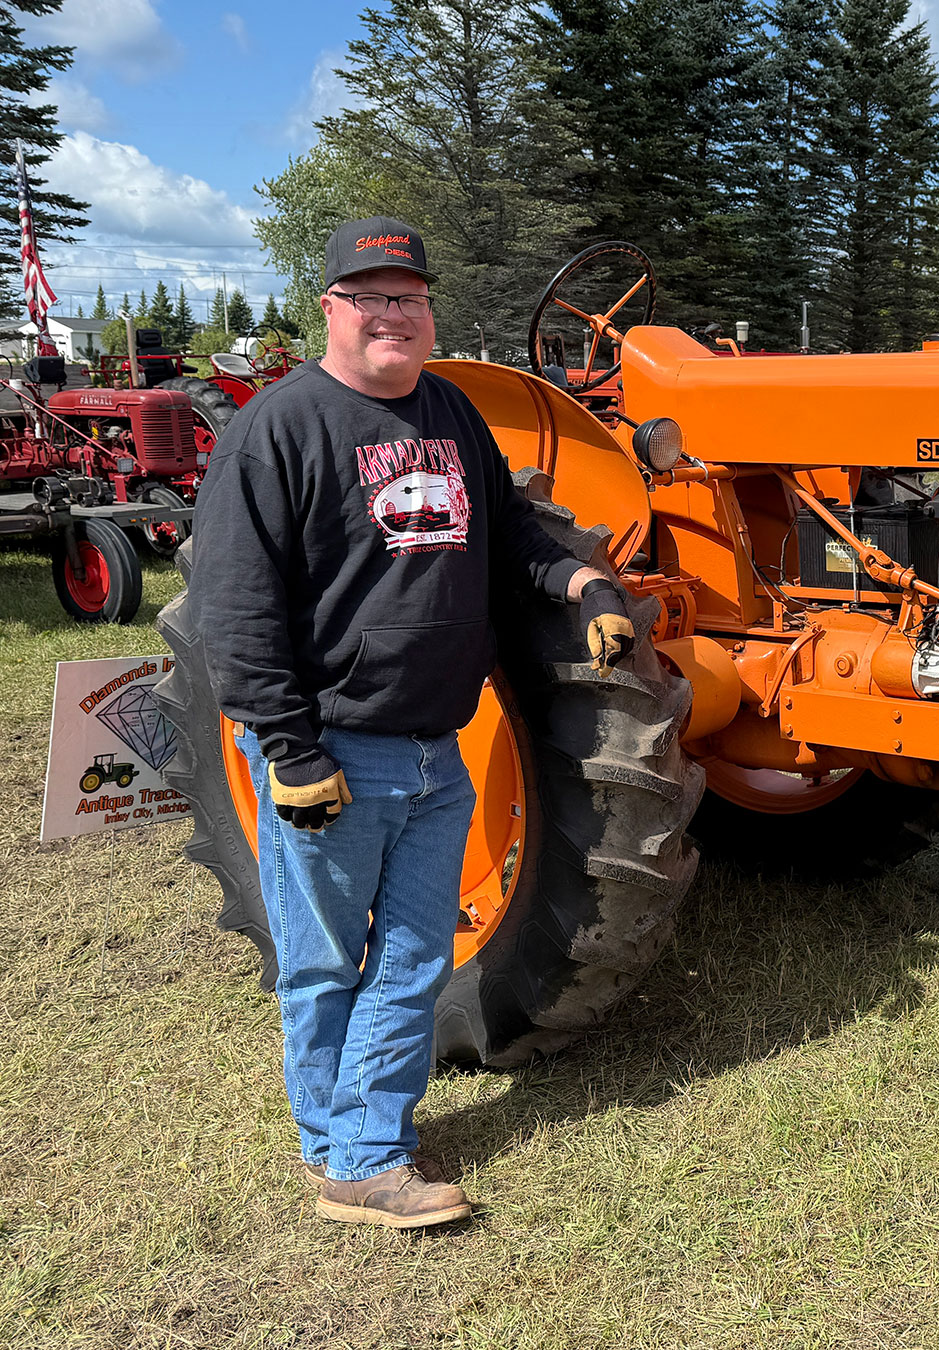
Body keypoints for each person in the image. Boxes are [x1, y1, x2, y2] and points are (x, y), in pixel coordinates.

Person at [192, 217, 634, 1229]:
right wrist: (291, 751)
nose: (394, 314)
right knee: (322, 958)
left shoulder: (446, 410)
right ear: (332, 310)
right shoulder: (282, 427)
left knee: (414, 959)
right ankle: (347, 1152)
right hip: (334, 754)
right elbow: (237, 606)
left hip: (437, 750)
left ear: (429, 312)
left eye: (410, 298)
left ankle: (365, 1141)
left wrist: (583, 581)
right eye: (371, 297)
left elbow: (511, 524)